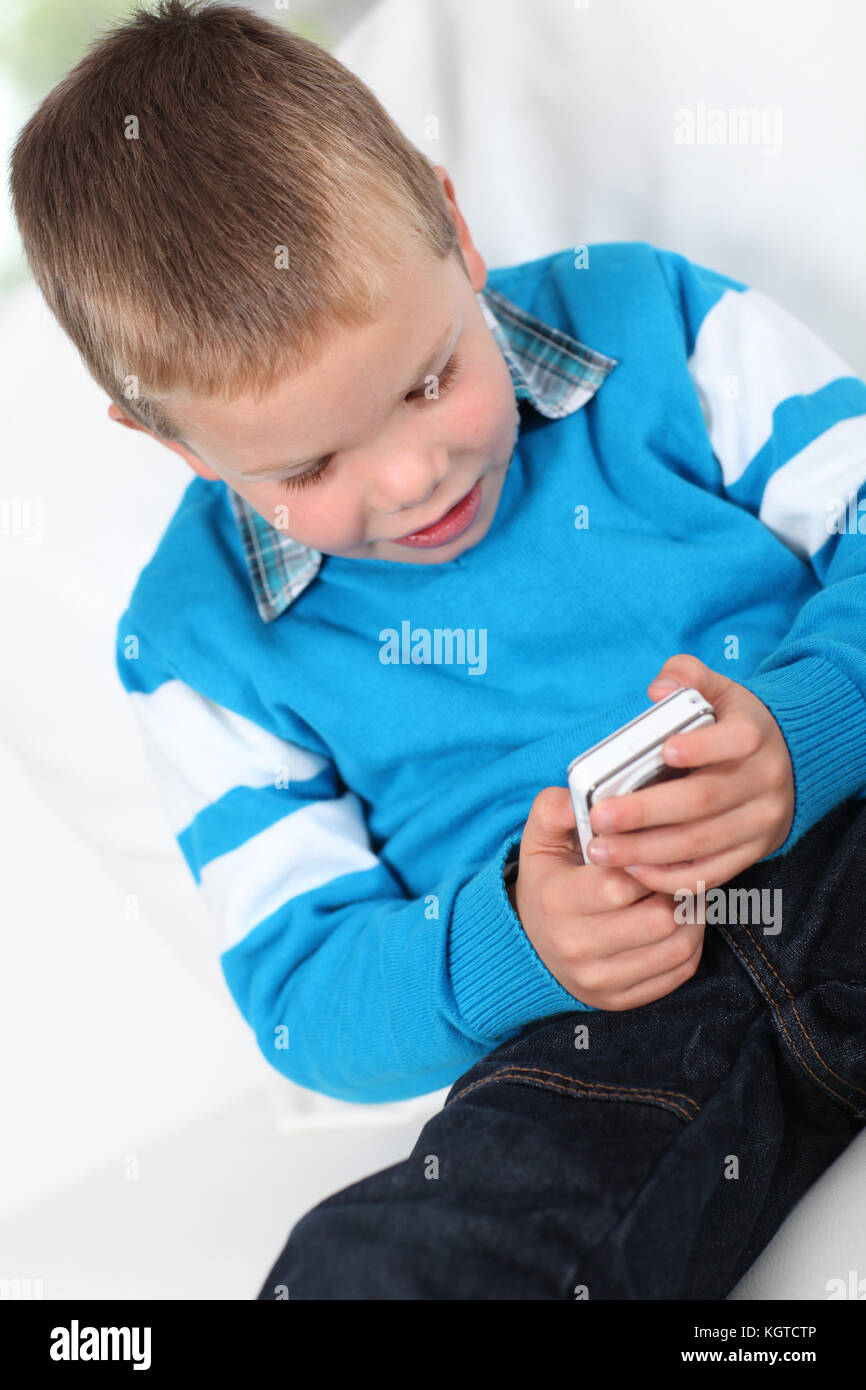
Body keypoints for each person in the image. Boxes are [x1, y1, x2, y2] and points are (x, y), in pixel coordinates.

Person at [10, 0, 866, 1299]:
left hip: (851, 824)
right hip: (609, 1036)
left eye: (424, 381)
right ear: (173, 444)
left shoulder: (656, 322)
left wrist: (807, 727)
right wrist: (521, 939)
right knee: (400, 1259)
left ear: (452, 227)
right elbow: (307, 994)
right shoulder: (194, 645)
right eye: (307, 464)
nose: (413, 478)